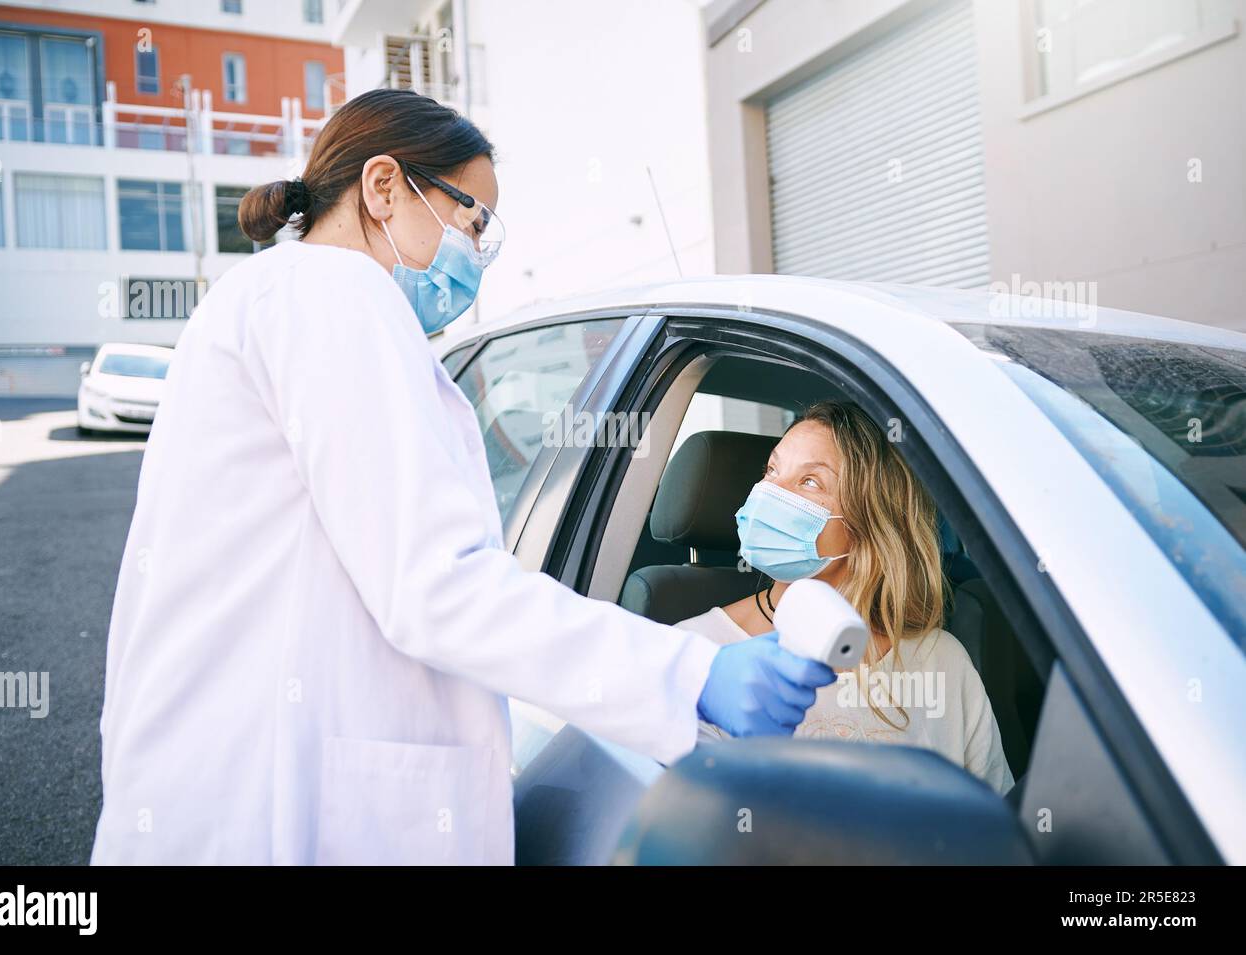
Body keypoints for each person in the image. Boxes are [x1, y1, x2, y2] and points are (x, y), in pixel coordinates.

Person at [89, 89, 835, 866]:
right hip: (269, 809)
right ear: (383, 188)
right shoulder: (332, 294)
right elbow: (435, 583)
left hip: (226, 784)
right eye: (472, 219)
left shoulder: (267, 300)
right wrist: (691, 675)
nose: (475, 252)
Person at [679, 401, 1014, 795]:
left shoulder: (941, 659)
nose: (770, 493)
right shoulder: (699, 654)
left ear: (868, 520)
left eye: (810, 482)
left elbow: (994, 823)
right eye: (772, 470)